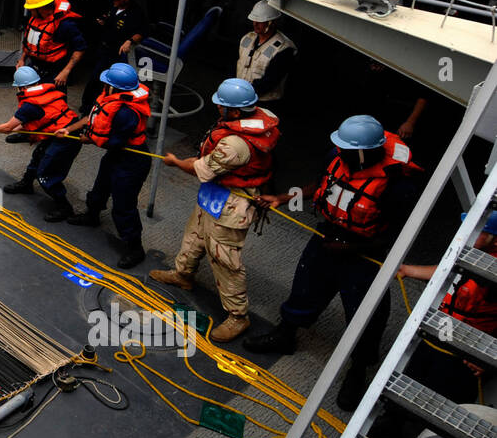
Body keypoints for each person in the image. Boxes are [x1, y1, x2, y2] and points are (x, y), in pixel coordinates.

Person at [244, 115, 424, 409]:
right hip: (329, 235)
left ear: (366, 152)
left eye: (347, 150)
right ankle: (286, 333)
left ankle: (358, 368)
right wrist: (283, 197)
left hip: (366, 252)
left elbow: (398, 235)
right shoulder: (337, 155)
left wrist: (350, 246)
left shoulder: (398, 186)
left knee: (366, 312)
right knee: (305, 284)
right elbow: (321, 185)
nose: (340, 153)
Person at [149, 78, 281, 343]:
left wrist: (175, 162)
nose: (218, 109)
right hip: (216, 194)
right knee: (195, 233)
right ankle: (183, 274)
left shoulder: (235, 146)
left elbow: (202, 170)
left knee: (224, 258)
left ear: (233, 112)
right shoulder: (261, 116)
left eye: (222, 106)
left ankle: (237, 317)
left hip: (233, 204)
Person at [370, 212, 497, 438]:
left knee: (442, 399)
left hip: (464, 350)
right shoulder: (469, 249)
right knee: (410, 376)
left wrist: (487, 356)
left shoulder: (493, 273)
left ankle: (421, 435)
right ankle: (393, 419)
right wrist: (409, 270)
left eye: (481, 231)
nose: (470, 233)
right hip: (434, 333)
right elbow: (445, 272)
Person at [63, 62, 153, 268]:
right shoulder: (114, 100)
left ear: (115, 88)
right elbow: (92, 119)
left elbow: (115, 141)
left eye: (107, 83)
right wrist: (70, 130)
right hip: (116, 155)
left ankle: (134, 248)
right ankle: (92, 215)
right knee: (100, 187)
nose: (104, 86)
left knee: (123, 205)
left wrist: (90, 140)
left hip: (132, 160)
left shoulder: (125, 113)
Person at [0, 66, 83, 221]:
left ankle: (64, 207)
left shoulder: (29, 105)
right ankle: (27, 183)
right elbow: (36, 120)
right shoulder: (51, 91)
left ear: (21, 87)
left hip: (65, 140)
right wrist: (13, 129)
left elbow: (8, 127)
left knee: (46, 173)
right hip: (61, 131)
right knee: (38, 156)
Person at [80, 0, 147, 115]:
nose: (114, 1)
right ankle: (86, 106)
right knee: (94, 79)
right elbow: (108, 17)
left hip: (117, 54)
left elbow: (142, 32)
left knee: (104, 82)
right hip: (103, 48)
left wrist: (130, 41)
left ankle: (96, 110)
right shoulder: (113, 7)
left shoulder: (136, 13)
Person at [236, 0, 296, 112]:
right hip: (240, 95)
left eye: (260, 21)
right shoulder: (247, 38)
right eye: (254, 20)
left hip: (264, 102)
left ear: (272, 22)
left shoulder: (283, 48)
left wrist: (244, 94)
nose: (255, 24)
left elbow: (270, 80)